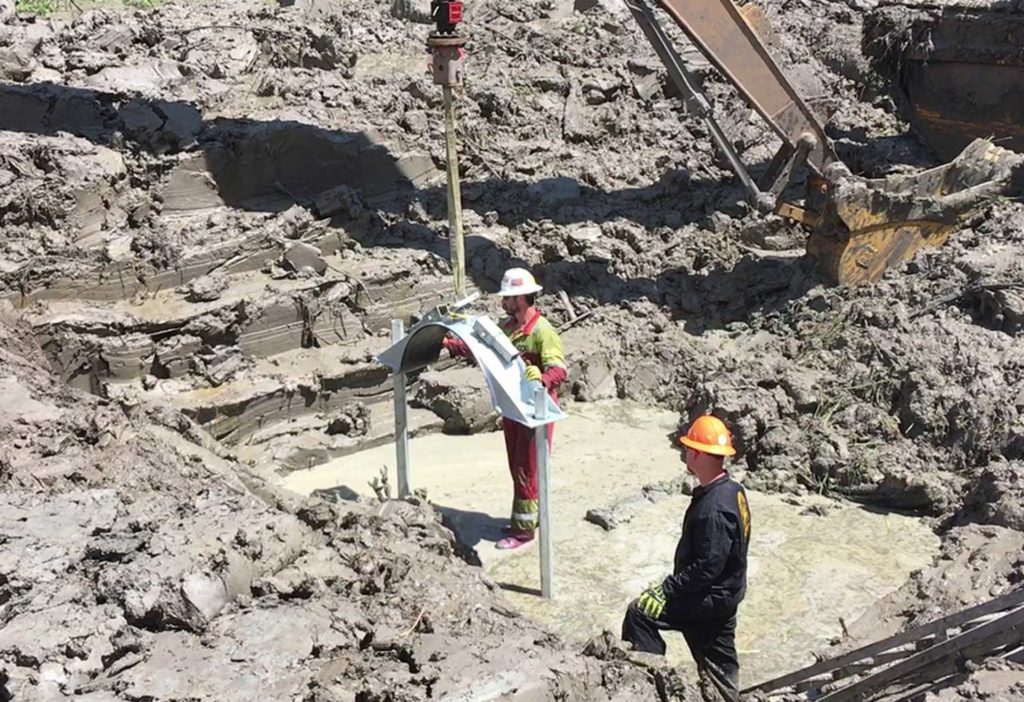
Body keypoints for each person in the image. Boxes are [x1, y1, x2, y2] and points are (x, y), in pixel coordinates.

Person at [621, 415, 751, 702]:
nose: (686, 454)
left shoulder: (714, 509)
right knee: (719, 666)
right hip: (726, 595)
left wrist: (666, 590)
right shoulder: (732, 490)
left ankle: (647, 688)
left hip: (708, 600)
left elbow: (707, 566)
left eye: (690, 449)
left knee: (639, 613)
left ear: (699, 454)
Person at [442, 267, 567, 550]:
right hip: (514, 408)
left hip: (536, 412)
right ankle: (524, 519)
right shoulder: (510, 328)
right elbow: (484, 349)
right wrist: (450, 343)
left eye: (508, 298)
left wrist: (543, 378)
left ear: (522, 298)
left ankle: (524, 532)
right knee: (517, 466)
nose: (504, 302)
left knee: (529, 469)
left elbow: (559, 369)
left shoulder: (542, 332)